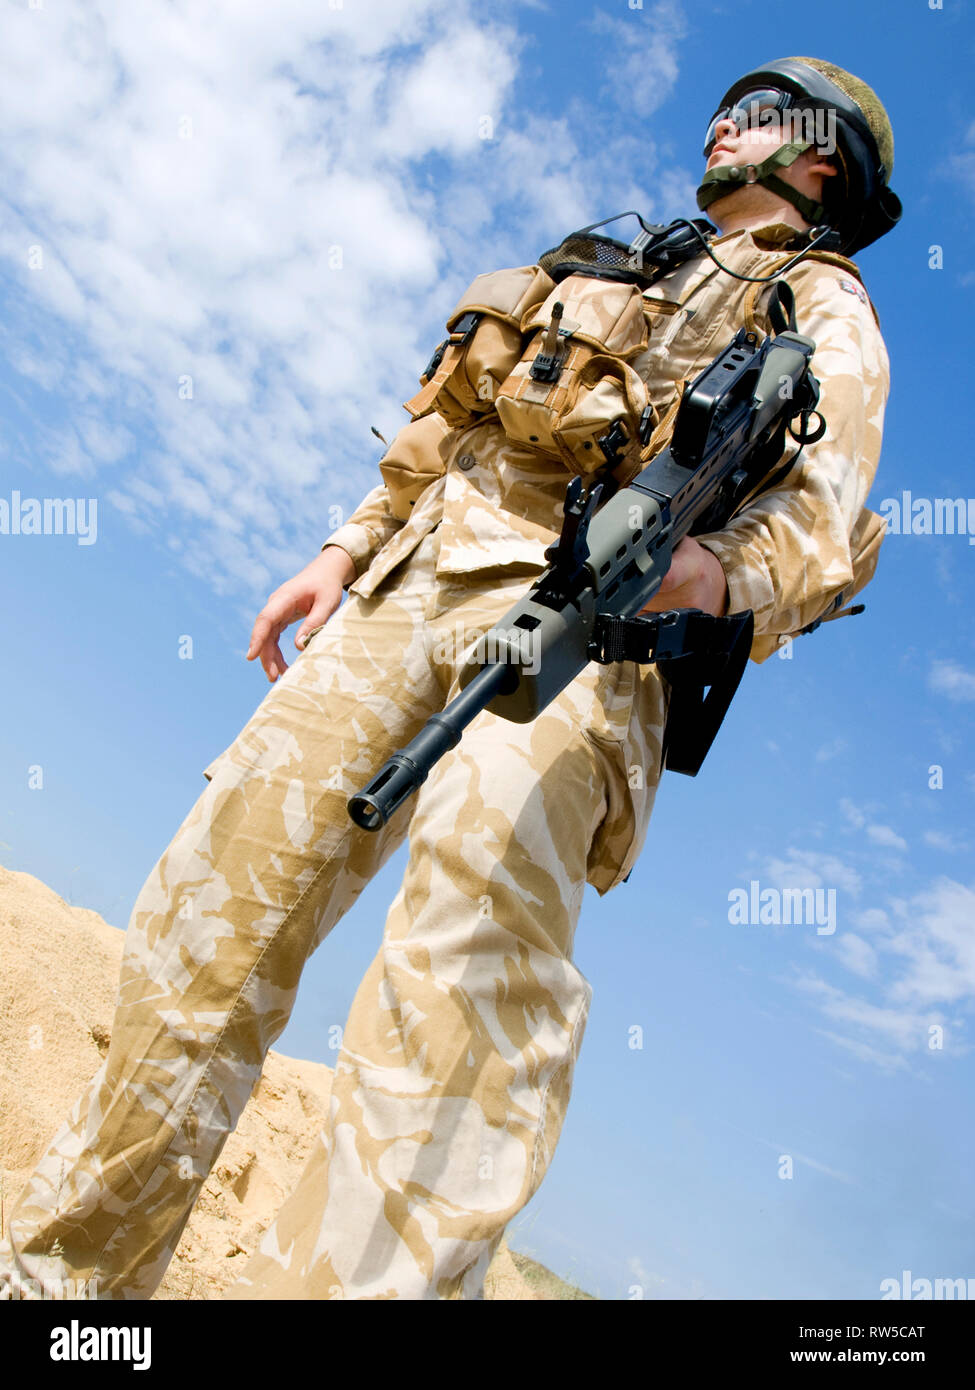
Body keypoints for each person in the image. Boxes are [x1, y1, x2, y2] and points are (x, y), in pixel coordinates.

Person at [0, 56, 899, 1301]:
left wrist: (695, 570)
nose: (719, 120)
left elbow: (821, 527)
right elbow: (451, 422)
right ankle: (65, 1295)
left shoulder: (828, 312)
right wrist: (343, 549)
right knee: (215, 902)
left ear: (820, 157)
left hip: (593, 634)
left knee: (464, 968)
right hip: (418, 575)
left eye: (757, 112)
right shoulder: (610, 256)